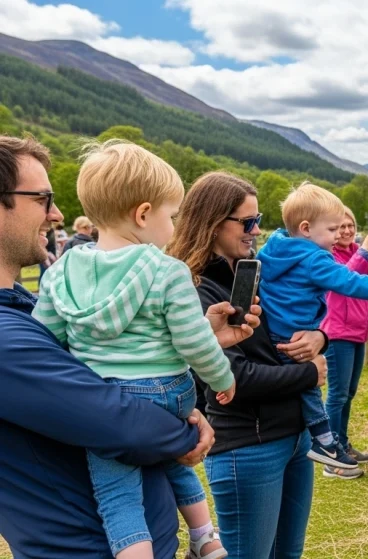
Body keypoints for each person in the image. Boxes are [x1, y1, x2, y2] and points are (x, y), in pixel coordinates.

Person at [0, 136, 258, 559]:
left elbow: (95, 371)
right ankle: (205, 535)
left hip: (140, 539)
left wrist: (199, 340)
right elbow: (125, 426)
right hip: (82, 549)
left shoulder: (44, 294)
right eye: (42, 198)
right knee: (120, 489)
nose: (58, 213)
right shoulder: (7, 337)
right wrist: (188, 423)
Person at [165, 171, 331, 558]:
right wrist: (310, 372)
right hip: (248, 447)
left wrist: (320, 338)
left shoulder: (255, 276)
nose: (256, 231)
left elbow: (296, 327)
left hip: (293, 438)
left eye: (258, 221)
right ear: (212, 221)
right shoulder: (195, 288)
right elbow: (233, 376)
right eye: (247, 222)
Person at [254, 181, 368, 469]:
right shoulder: (314, 258)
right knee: (311, 386)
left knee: (308, 387)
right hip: (295, 336)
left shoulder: (276, 246)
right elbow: (350, 281)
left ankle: (326, 441)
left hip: (273, 329)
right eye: (332, 229)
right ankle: (324, 442)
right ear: (306, 229)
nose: (339, 235)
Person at [318, 211, 368, 478]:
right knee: (337, 395)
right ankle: (331, 458)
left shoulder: (357, 252)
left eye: (350, 225)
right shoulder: (328, 256)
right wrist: (363, 250)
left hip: (358, 333)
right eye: (340, 227)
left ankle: (343, 445)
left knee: (348, 394)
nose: (346, 231)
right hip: (337, 334)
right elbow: (342, 279)